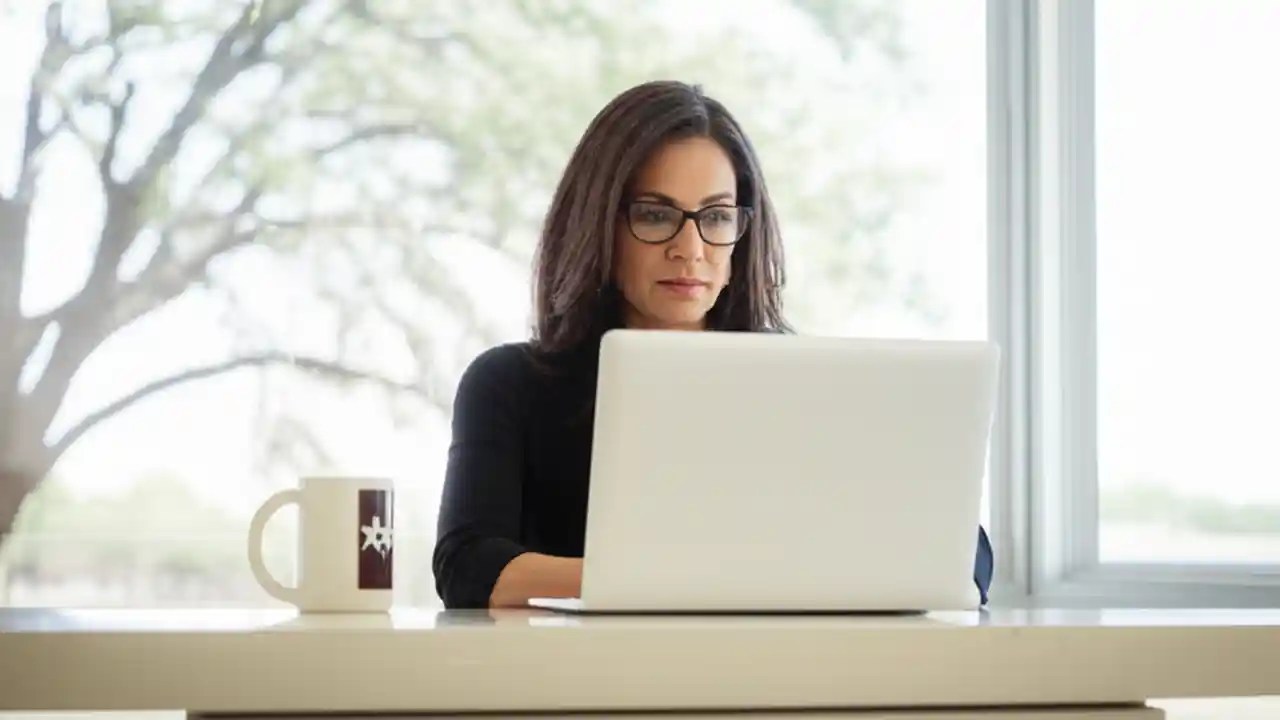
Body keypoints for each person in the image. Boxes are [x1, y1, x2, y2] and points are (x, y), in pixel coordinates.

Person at [431, 80, 993, 609]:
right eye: (655, 215)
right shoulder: (513, 384)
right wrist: (687, 581)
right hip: (578, 673)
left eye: (717, 217)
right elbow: (469, 566)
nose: (690, 248)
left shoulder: (801, 381)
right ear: (598, 223)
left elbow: (966, 557)